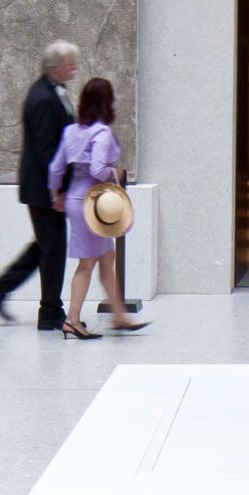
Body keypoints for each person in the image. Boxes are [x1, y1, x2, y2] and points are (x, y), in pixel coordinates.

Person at [0, 38, 79, 330]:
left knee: (45, 245)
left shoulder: (50, 92)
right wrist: (57, 190)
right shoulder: (45, 99)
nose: (74, 69)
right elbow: (49, 150)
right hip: (45, 188)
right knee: (53, 248)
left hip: (44, 185)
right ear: (55, 67)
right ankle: (50, 313)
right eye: (69, 64)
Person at [50, 76, 148, 339]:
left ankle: (118, 315)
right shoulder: (101, 133)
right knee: (87, 263)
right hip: (92, 204)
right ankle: (72, 320)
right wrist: (114, 173)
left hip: (73, 199)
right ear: (107, 103)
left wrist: (56, 195)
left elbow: (55, 168)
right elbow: (96, 169)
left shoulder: (72, 131)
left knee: (107, 257)